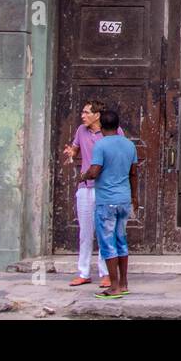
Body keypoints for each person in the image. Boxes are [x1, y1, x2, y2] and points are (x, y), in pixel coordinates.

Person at [76, 109, 139, 300]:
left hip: (106, 201)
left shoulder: (101, 145)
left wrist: (83, 175)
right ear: (118, 126)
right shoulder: (129, 145)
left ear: (101, 127)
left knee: (107, 243)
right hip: (124, 200)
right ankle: (124, 283)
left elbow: (95, 171)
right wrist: (135, 198)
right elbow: (133, 174)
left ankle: (113, 287)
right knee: (121, 241)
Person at [61, 100, 124, 289]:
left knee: (106, 231)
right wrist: (72, 152)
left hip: (105, 189)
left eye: (87, 112)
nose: (83, 115)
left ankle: (106, 273)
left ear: (97, 115)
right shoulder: (81, 130)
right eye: (83, 112)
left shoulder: (114, 131)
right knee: (85, 232)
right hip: (86, 188)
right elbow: (76, 148)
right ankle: (84, 272)